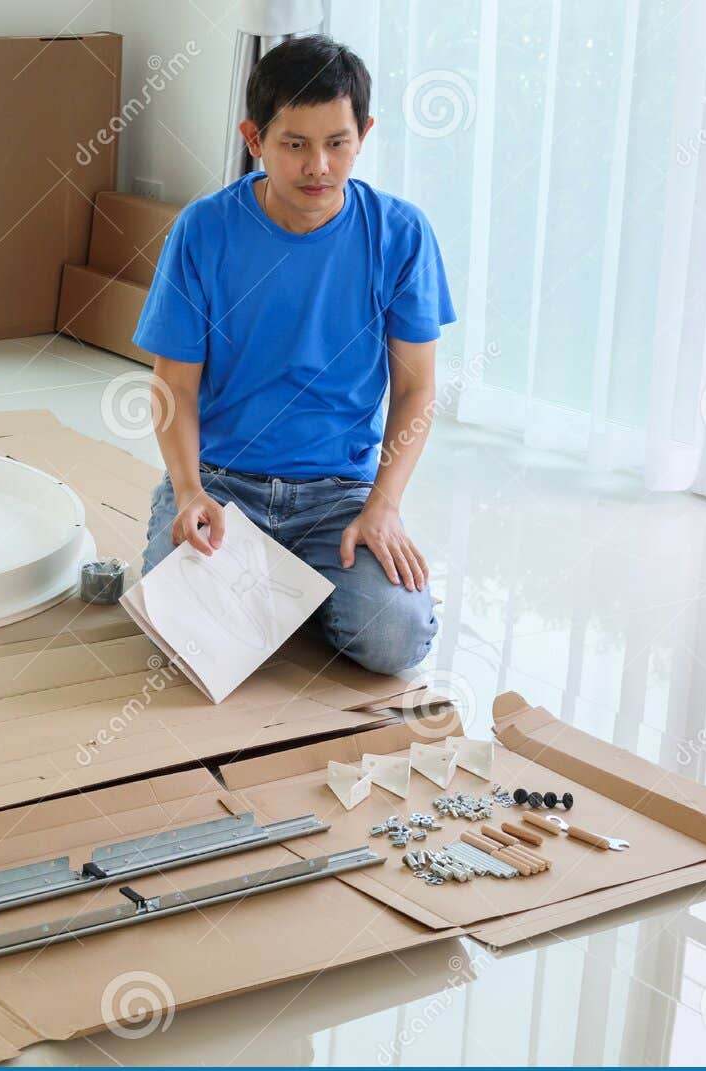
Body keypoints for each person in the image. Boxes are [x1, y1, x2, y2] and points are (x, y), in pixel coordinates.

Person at [134, 34, 455, 675]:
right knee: (181, 643)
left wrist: (382, 506)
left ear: (363, 133)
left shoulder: (401, 232)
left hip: (339, 494)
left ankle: (286, 593)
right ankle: (272, 589)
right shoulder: (203, 228)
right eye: (295, 145)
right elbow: (174, 385)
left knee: (396, 642)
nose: (319, 167)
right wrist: (190, 490)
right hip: (224, 484)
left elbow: (417, 389)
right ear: (254, 138)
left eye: (337, 143)